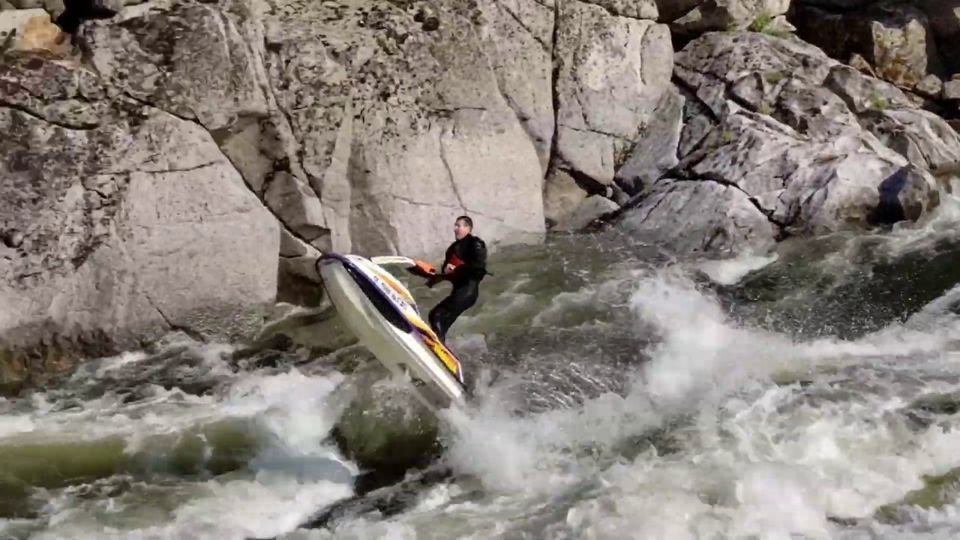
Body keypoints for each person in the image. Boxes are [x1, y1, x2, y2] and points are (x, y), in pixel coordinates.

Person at [426, 216, 488, 343]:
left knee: (437, 315)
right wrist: (435, 279)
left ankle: (438, 348)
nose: (455, 229)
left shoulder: (475, 244)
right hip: (458, 292)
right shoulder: (452, 249)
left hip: (468, 292)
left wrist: (458, 268)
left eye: (459, 226)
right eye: (455, 226)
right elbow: (448, 271)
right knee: (440, 322)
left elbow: (479, 269)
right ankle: (440, 348)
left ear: (468, 228)